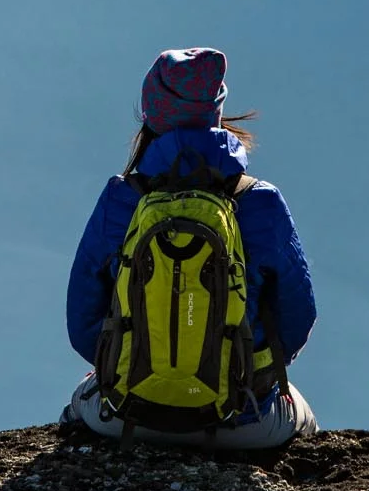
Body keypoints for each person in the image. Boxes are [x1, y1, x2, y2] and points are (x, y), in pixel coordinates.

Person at [63, 47, 318, 450]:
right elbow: (297, 320)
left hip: (127, 414)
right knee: (304, 416)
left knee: (79, 401)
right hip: (243, 421)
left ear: (149, 113)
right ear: (216, 110)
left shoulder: (120, 197)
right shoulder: (260, 200)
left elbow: (82, 325)